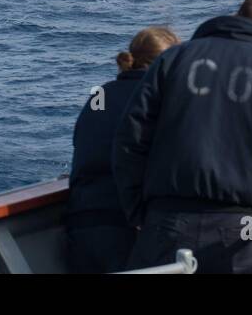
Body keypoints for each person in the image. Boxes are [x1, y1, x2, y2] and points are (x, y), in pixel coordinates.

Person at [114, 0, 252, 273]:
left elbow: (131, 139)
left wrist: (139, 209)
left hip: (166, 219)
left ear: (237, 16)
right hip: (239, 226)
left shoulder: (172, 59)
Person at [67, 26, 180, 273]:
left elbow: (83, 144)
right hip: (132, 228)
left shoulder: (101, 95)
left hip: (83, 221)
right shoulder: (163, 99)